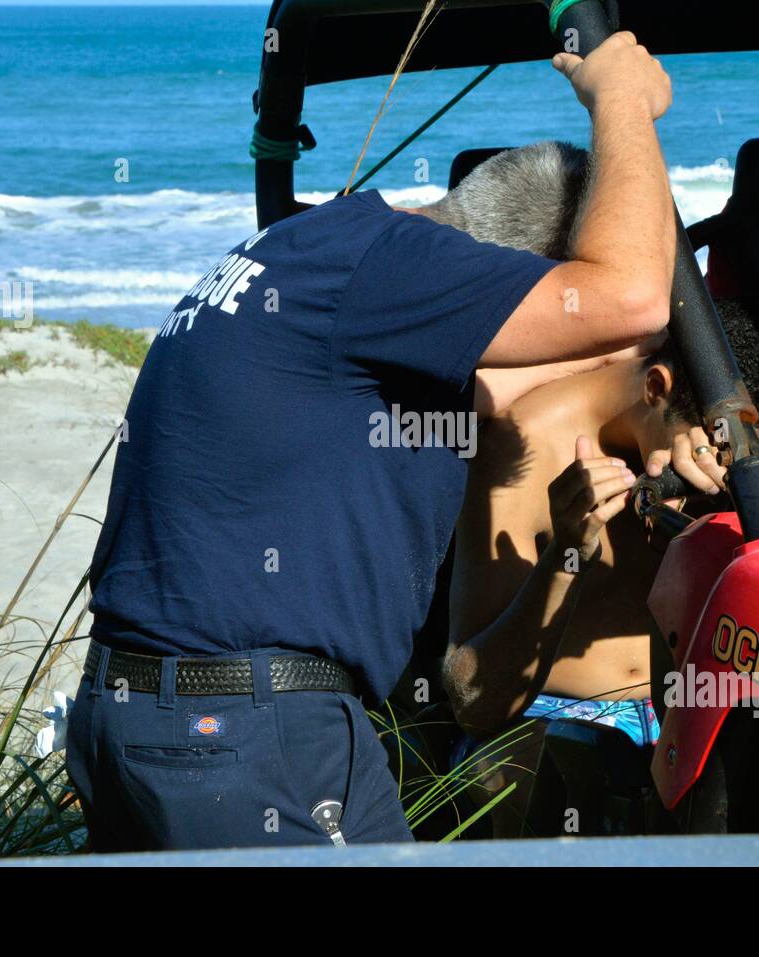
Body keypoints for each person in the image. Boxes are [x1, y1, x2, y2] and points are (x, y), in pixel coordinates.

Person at [66, 33, 681, 851]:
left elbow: (527, 386)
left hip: (164, 714)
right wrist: (621, 98)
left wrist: (677, 416)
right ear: (513, 277)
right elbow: (632, 299)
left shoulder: (324, 263)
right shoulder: (394, 267)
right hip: (237, 732)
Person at [444, 295, 759, 836]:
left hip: (702, 715)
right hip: (558, 721)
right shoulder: (522, 446)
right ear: (655, 388)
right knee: (522, 777)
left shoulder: (733, 390)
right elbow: (474, 704)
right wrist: (565, 556)